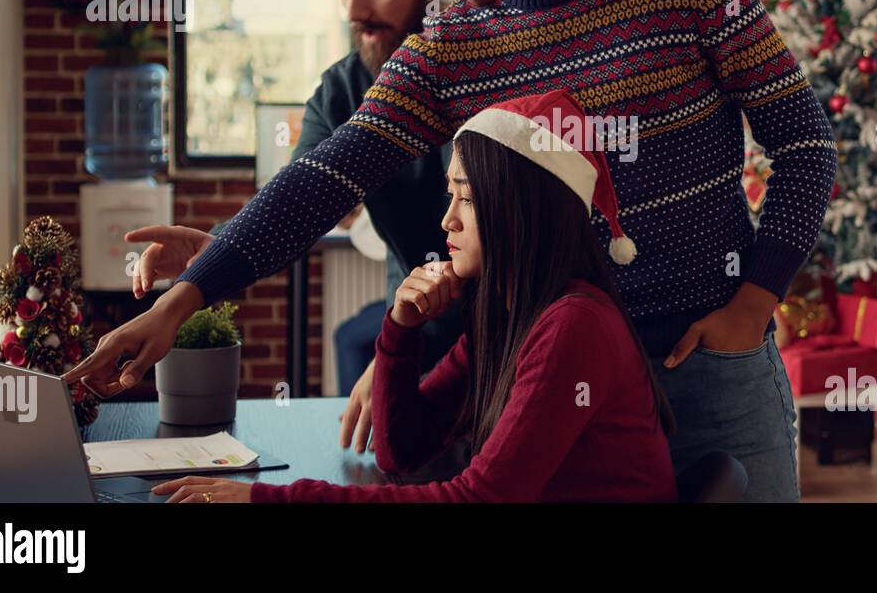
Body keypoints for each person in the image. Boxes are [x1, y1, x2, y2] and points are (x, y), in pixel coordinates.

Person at [68, 0, 837, 503]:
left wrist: (754, 300)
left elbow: (806, 144)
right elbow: (329, 174)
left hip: (710, 356)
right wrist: (189, 294)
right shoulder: (452, 37)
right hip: (554, 376)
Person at [152, 91, 678, 502]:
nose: (446, 219)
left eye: (467, 198)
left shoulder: (573, 325)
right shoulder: (508, 317)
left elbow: (479, 497)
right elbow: (400, 451)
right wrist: (401, 329)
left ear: (522, 211)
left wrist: (266, 499)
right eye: (450, 194)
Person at [126, 0, 462, 456]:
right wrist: (218, 248)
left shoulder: (482, 74)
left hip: (489, 334)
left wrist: (395, 353)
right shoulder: (342, 90)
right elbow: (298, 198)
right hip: (409, 315)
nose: (354, 9)